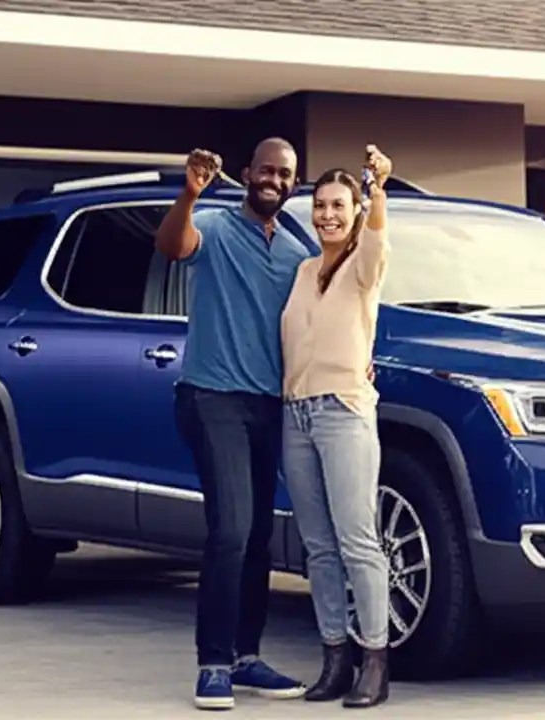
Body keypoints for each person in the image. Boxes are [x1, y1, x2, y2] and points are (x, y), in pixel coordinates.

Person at [154, 138, 311, 711]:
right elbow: (173, 246)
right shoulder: (217, 227)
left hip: (267, 405)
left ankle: (247, 658)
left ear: (295, 182)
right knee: (231, 530)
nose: (275, 179)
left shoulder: (298, 249)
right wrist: (189, 194)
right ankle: (213, 664)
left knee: (259, 537)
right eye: (266, 170)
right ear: (248, 174)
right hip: (212, 397)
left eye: (286, 173)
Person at [279, 146, 394, 708]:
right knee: (318, 547)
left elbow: (374, 238)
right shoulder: (303, 271)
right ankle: (335, 659)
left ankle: (375, 659)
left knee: (358, 542)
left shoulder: (363, 267)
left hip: (343, 413)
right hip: (295, 414)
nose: (327, 214)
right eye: (320, 205)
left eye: (339, 205)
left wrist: (378, 192)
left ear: (355, 209)